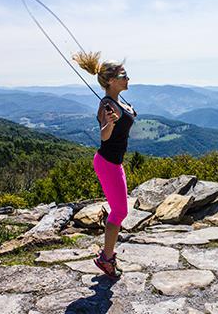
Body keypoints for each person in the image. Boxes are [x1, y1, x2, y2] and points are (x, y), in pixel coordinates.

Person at [73, 51, 137, 280]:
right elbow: (104, 136)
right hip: (108, 163)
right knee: (119, 211)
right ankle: (106, 258)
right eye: (123, 75)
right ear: (111, 80)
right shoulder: (107, 106)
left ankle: (107, 255)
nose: (128, 78)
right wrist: (108, 124)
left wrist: (130, 112)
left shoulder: (118, 102)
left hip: (113, 162)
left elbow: (126, 117)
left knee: (119, 209)